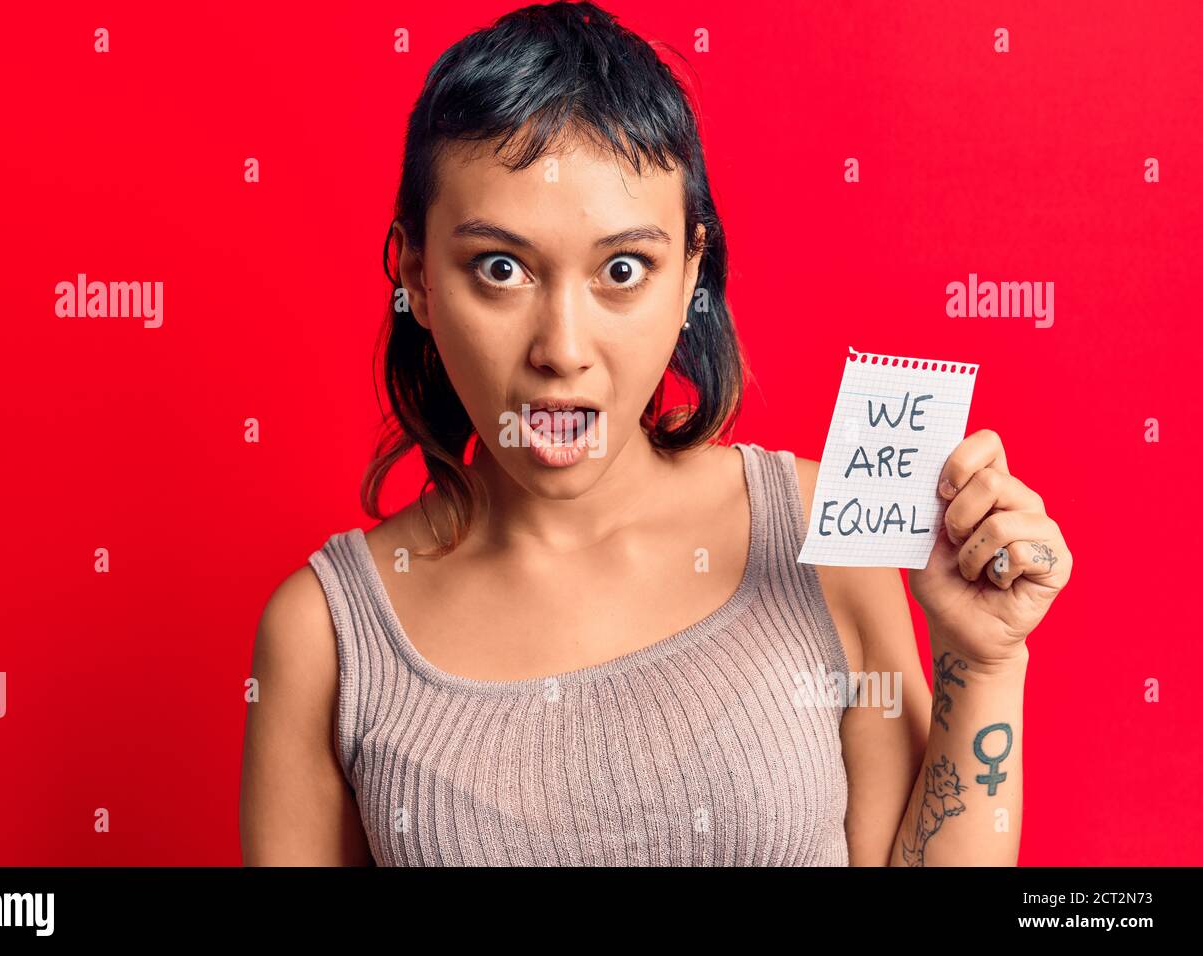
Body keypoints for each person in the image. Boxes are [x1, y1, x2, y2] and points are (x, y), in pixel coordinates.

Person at [239, 0, 1072, 866]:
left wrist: (984, 662)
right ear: (418, 277)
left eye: (623, 270)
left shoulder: (823, 535)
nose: (562, 350)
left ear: (689, 278)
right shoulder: (325, 640)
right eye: (500, 268)